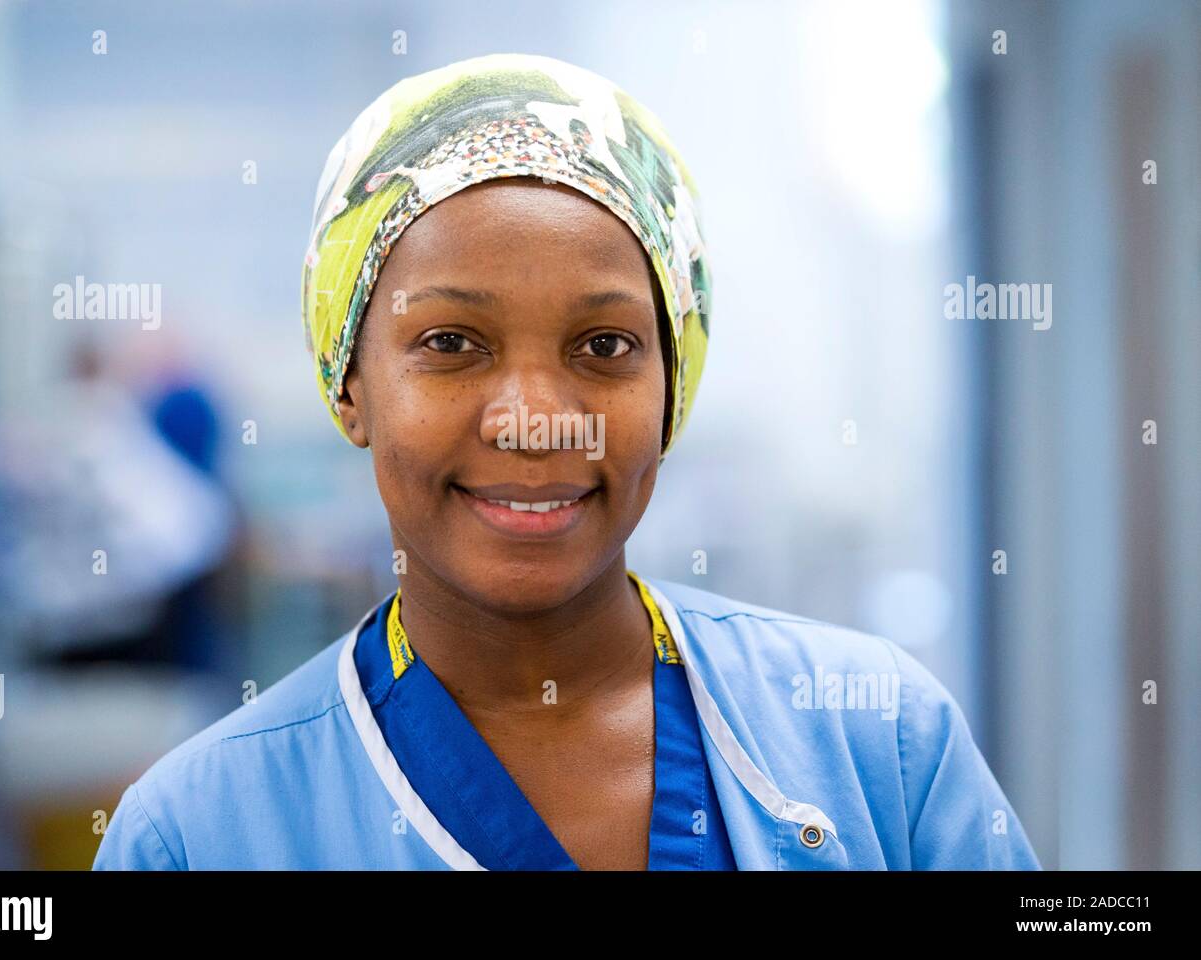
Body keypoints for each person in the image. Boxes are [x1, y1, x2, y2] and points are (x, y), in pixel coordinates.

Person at [93, 52, 1040, 871]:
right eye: (453, 343)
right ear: (349, 383)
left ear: (674, 386)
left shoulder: (880, 742)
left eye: (604, 347)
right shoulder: (199, 832)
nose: (536, 421)